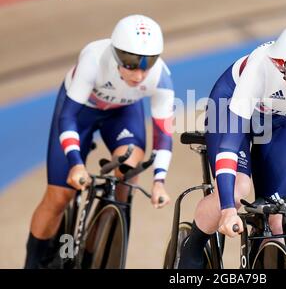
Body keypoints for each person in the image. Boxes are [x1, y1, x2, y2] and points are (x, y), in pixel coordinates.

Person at [178, 19, 286, 268]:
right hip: (230, 107)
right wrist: (227, 209)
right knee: (238, 190)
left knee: (278, 213)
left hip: (281, 122)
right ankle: (192, 248)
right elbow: (229, 144)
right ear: (281, 66)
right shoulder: (260, 67)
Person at [24, 14, 174, 268]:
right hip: (81, 113)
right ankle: (33, 263)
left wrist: (159, 181)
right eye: (130, 64)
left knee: (128, 175)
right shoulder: (93, 60)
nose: (138, 75)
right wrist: (75, 162)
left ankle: (95, 251)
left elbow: (164, 134)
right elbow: (68, 117)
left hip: (122, 114)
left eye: (146, 65)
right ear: (116, 55)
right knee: (60, 195)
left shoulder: (161, 77)